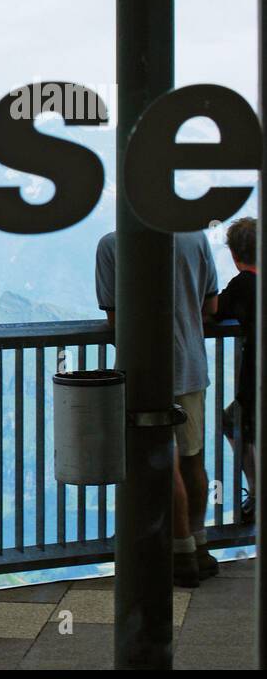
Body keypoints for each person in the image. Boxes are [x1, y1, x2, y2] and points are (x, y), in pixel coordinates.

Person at [95, 229, 219, 587]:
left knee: (166, 462)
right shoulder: (196, 238)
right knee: (193, 459)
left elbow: (115, 317)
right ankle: (199, 545)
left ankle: (179, 555)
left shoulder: (113, 245)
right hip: (192, 366)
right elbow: (210, 306)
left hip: (145, 371)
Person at [213, 217, 256, 524]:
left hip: (255, 380)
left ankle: (257, 495)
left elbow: (216, 311)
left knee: (234, 422)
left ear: (234, 256)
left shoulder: (243, 285)